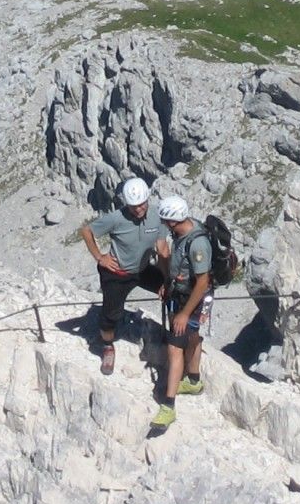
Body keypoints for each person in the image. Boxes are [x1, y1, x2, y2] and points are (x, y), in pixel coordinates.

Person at [78, 177, 165, 375]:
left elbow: (162, 247)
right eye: (134, 206)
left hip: (142, 269)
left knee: (172, 290)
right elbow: (87, 231)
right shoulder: (116, 218)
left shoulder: (156, 216)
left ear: (147, 200)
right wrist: (100, 257)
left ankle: (172, 337)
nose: (138, 209)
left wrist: (165, 279)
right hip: (117, 273)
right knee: (111, 316)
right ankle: (107, 346)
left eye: (142, 204)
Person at [150, 195, 211, 431]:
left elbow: (203, 281)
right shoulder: (182, 231)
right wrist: (168, 279)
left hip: (192, 300)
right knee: (192, 337)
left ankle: (168, 406)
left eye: (166, 220)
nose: (165, 224)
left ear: (174, 221)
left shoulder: (197, 244)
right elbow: (179, 266)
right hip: (181, 294)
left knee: (174, 348)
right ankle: (193, 381)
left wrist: (185, 313)